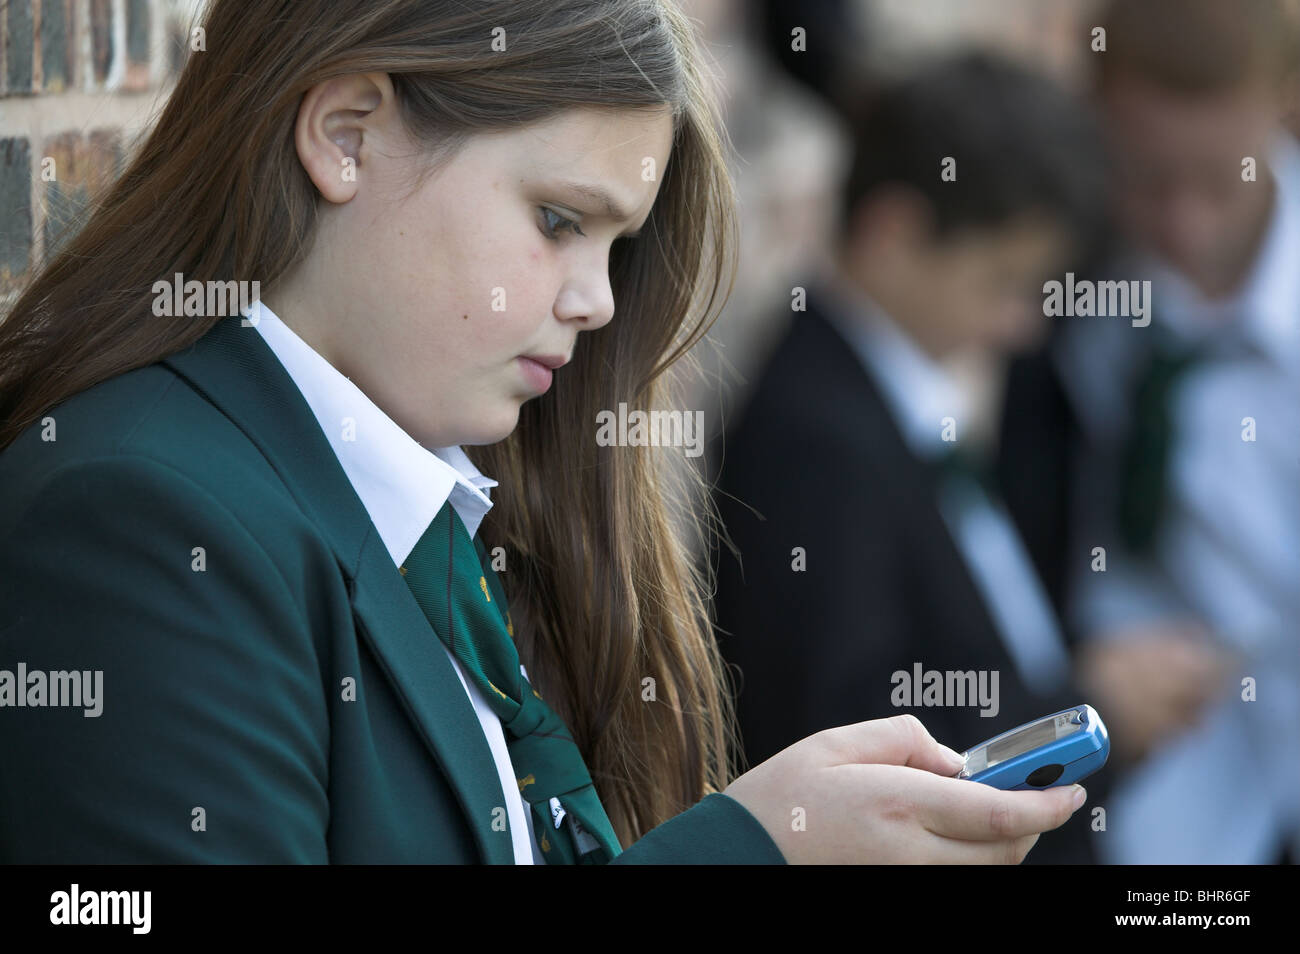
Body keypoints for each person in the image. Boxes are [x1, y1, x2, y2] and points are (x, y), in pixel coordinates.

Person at [0, 0, 1086, 864]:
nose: (598, 302)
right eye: (559, 221)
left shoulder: (428, 512)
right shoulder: (141, 519)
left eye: (615, 245)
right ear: (346, 135)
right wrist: (755, 848)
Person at [709, 52, 1110, 863]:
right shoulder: (815, 441)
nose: (1021, 327)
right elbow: (853, 734)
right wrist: (1102, 709)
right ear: (893, 232)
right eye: (1002, 281)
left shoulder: (883, 395)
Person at [1000, 0, 1300, 864]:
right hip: (1151, 797)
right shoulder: (1063, 287)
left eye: (1217, 181)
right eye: (1144, 179)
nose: (1183, 224)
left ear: (1282, 103)